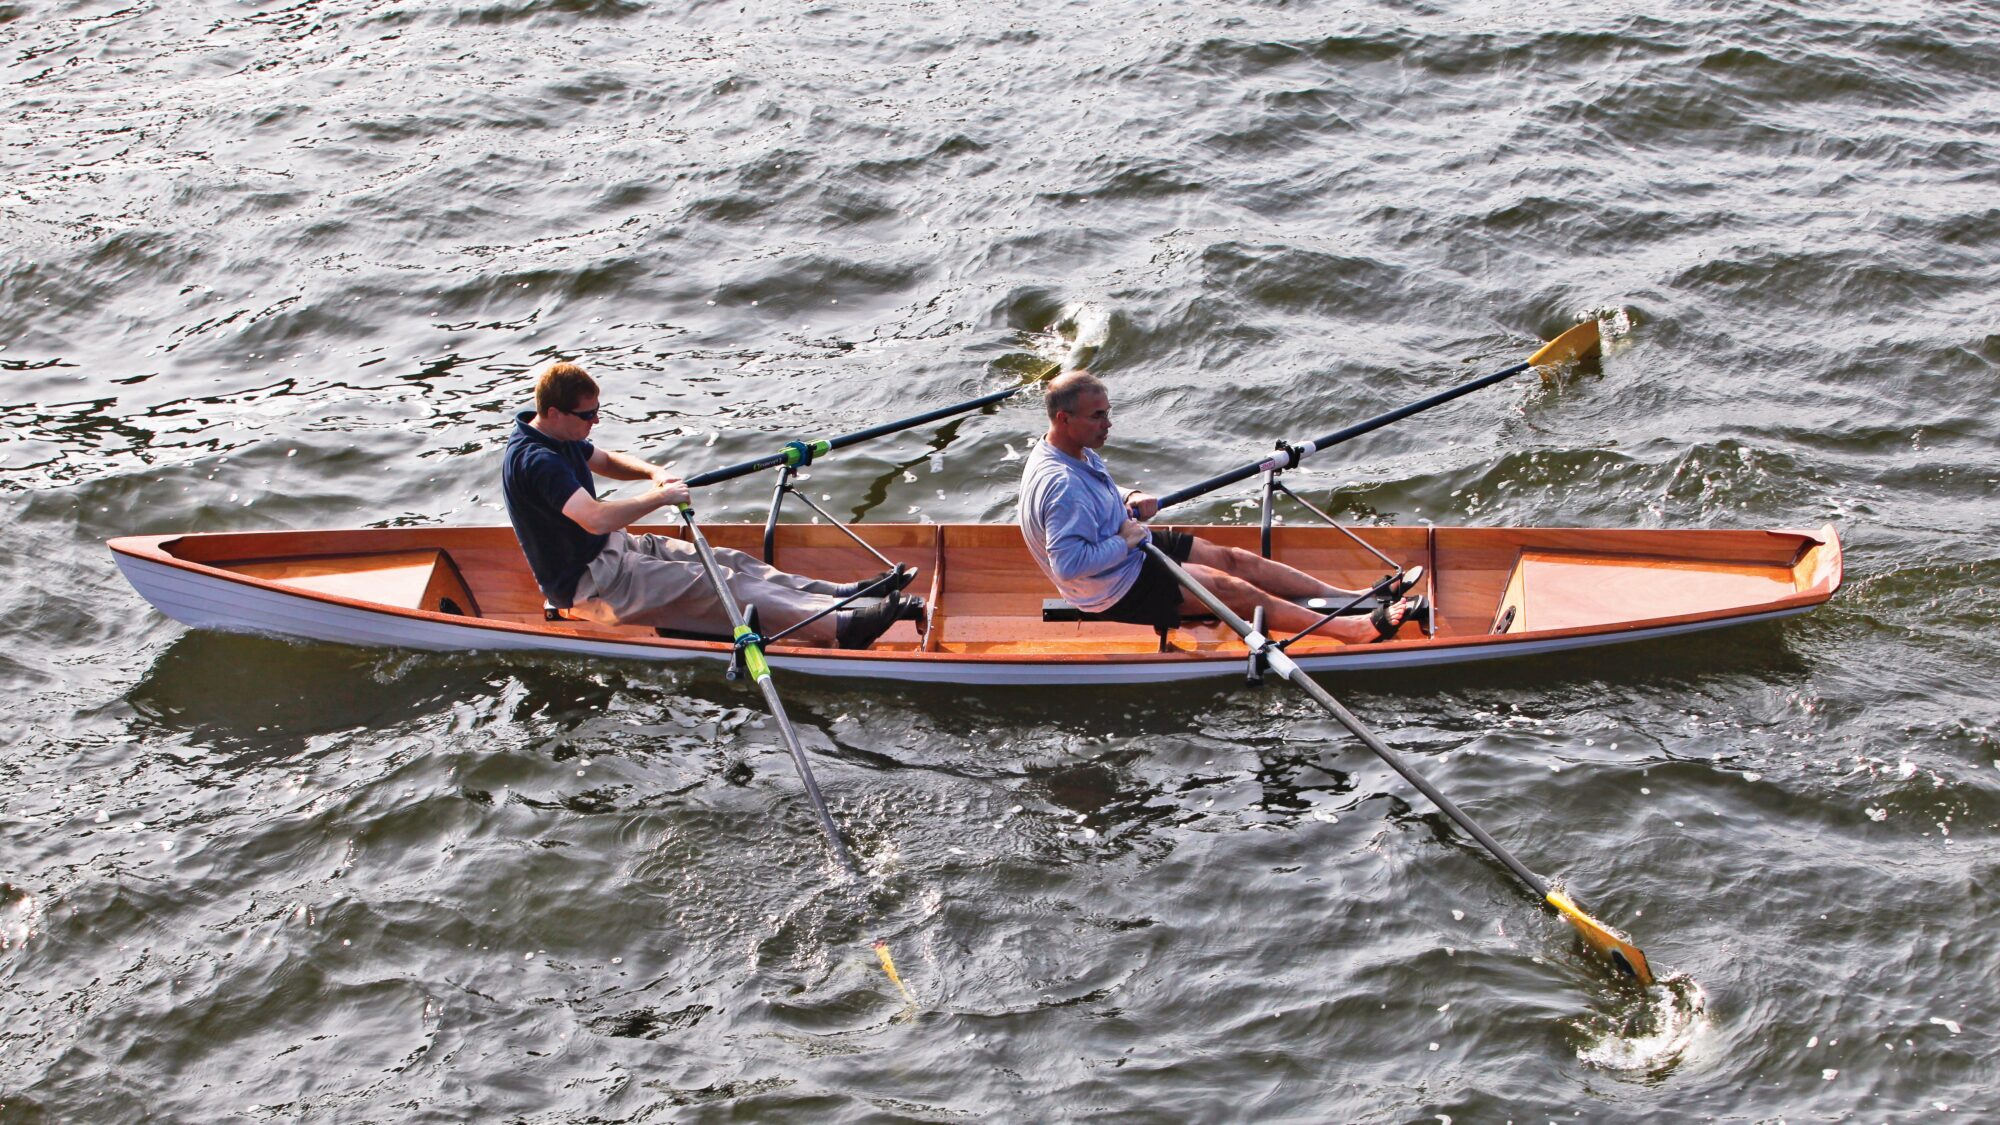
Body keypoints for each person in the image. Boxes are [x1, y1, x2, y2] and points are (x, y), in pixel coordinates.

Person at [503, 361, 914, 649]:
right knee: (723, 586)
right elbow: (593, 519)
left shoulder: (558, 434)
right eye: (588, 415)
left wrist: (652, 473)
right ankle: (844, 626)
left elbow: (604, 460)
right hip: (590, 584)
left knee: (730, 562)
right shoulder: (538, 462)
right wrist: (661, 497)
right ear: (554, 412)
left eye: (597, 413)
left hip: (613, 551)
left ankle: (846, 595)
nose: (595, 422)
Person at [1018, 370, 1424, 643]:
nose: (1108, 424)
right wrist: (1125, 541)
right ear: (1063, 418)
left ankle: (1350, 595)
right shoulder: (1062, 486)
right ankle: (1350, 629)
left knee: (1232, 559)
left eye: (1108, 413)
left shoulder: (1067, 448)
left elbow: (1095, 487)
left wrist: (1125, 497)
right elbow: (1068, 565)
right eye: (1098, 416)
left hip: (1125, 543)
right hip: (1110, 584)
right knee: (1232, 590)